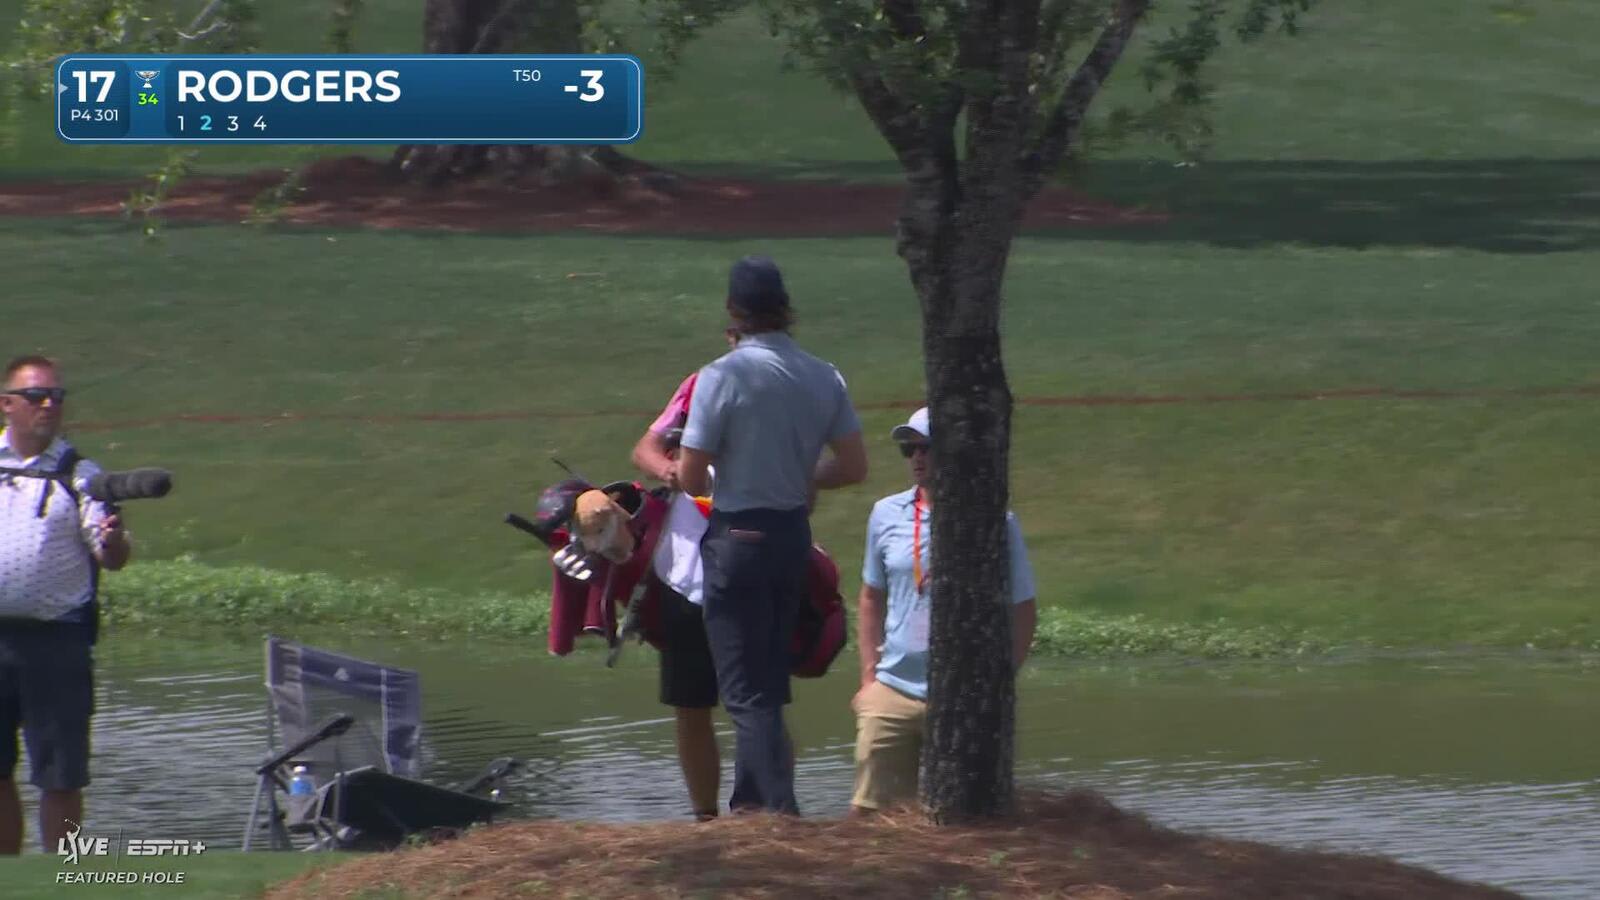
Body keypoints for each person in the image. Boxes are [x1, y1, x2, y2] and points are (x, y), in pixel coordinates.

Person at [674, 255, 868, 815]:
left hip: (738, 537)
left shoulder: (721, 376)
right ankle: (759, 806)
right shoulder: (823, 374)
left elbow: (690, 476)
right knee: (771, 685)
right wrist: (803, 475)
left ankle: (771, 814)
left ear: (734, 311)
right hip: (791, 538)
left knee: (744, 693)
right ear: (785, 310)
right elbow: (853, 467)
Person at [850, 406, 1037, 815]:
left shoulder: (995, 522)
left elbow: (1023, 608)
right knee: (868, 814)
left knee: (960, 818)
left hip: (962, 697)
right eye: (909, 449)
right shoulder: (886, 514)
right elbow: (870, 597)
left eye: (926, 447)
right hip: (893, 689)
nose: (916, 457)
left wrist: (1000, 683)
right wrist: (868, 679)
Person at [0, 355, 132, 854]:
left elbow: (112, 556)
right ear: (6, 404)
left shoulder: (80, 473)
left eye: (57, 396)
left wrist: (114, 539)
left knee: (60, 774)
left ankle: (65, 877)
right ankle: (8, 877)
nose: (50, 404)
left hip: (55, 642)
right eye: (37, 396)